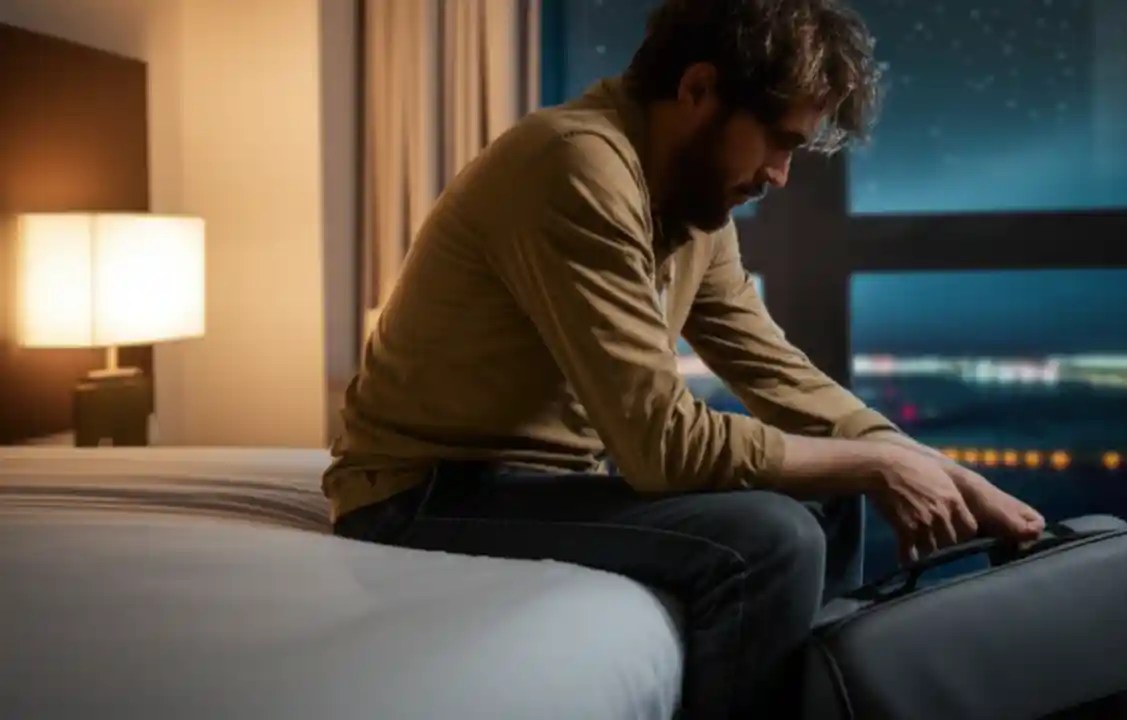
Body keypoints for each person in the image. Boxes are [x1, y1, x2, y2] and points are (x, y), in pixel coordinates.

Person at [325, 0, 1045, 717]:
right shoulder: (574, 165)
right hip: (419, 493)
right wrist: (881, 465)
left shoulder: (693, 206)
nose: (781, 174)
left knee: (830, 490)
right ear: (698, 91)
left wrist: (931, 467)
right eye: (777, 140)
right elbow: (659, 445)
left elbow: (777, 372)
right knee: (775, 539)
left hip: (536, 479)